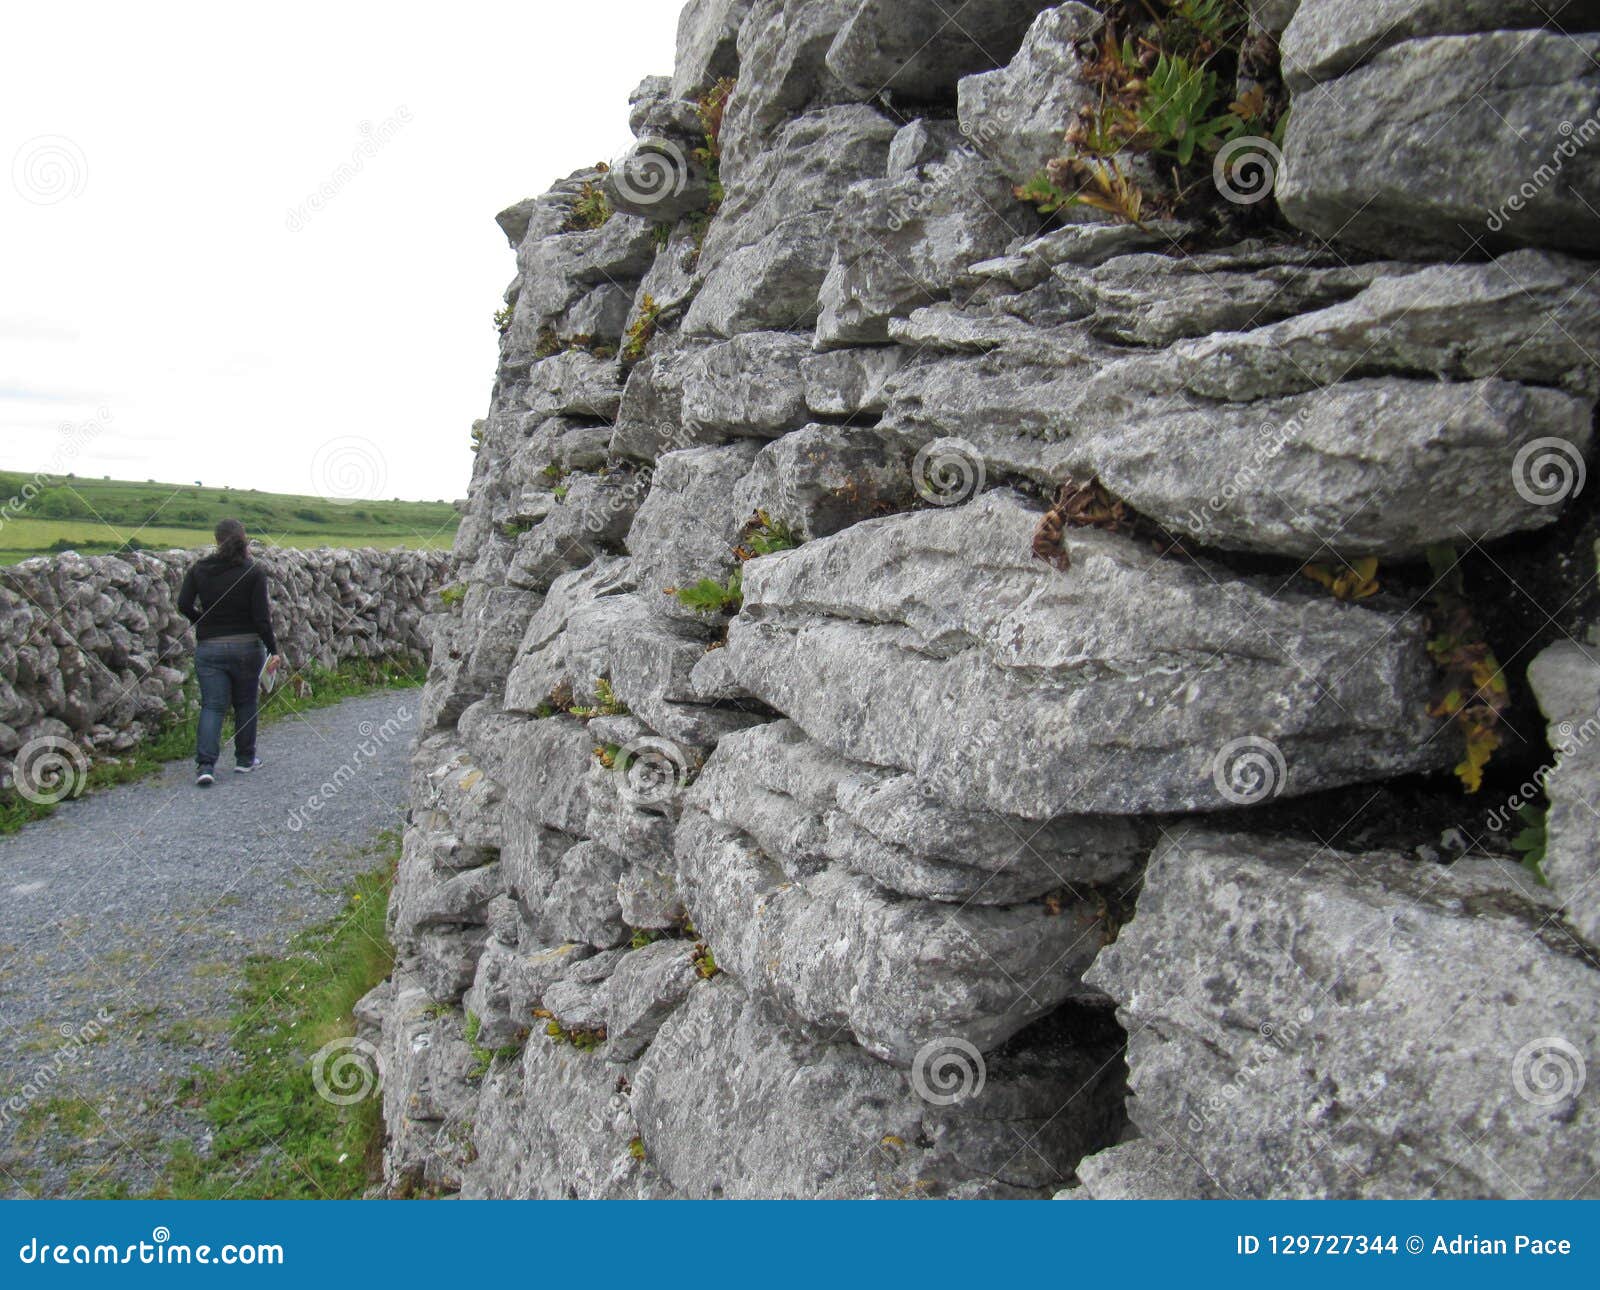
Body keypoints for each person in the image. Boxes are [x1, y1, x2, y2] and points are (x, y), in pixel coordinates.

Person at [177, 519, 283, 787]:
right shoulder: (253, 571)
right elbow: (261, 617)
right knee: (246, 702)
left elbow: (183, 603)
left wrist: (202, 620)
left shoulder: (199, 569)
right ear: (243, 539)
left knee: (212, 705)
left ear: (216, 539)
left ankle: (206, 765)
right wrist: (273, 648)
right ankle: (245, 759)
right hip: (247, 646)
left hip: (210, 646)